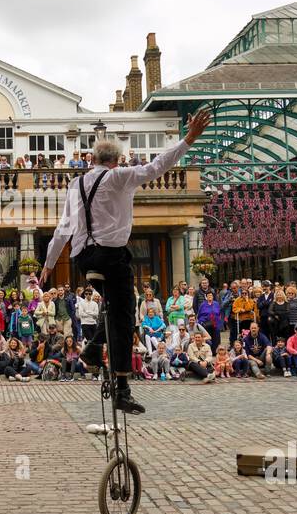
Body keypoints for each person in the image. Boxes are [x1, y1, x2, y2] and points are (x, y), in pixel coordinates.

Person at [41, 108, 210, 413]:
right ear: (116, 161)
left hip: (82, 258)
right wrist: (188, 139)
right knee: (124, 318)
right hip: (111, 256)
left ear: (91, 160)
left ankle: (93, 349)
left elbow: (63, 227)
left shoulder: (74, 186)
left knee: (112, 308)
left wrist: (49, 263)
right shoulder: (120, 177)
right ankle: (122, 388)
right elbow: (158, 165)